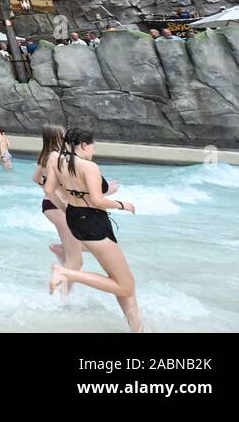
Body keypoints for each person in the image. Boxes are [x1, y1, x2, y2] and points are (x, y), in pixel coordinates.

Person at [45, 127, 141, 331]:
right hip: (93, 222)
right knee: (126, 285)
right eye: (92, 148)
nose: (93, 152)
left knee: (122, 281)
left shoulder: (56, 159)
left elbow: (48, 190)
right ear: (84, 145)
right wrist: (123, 204)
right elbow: (97, 200)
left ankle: (137, 328)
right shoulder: (89, 166)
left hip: (75, 219)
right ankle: (66, 273)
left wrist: (64, 208)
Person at [34, 124, 83, 286]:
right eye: (63, 134)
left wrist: (49, 190)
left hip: (49, 205)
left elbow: (36, 179)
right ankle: (63, 300)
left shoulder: (45, 157)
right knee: (75, 261)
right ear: (57, 137)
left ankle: (60, 249)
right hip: (59, 208)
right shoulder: (60, 158)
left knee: (76, 253)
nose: (66, 136)